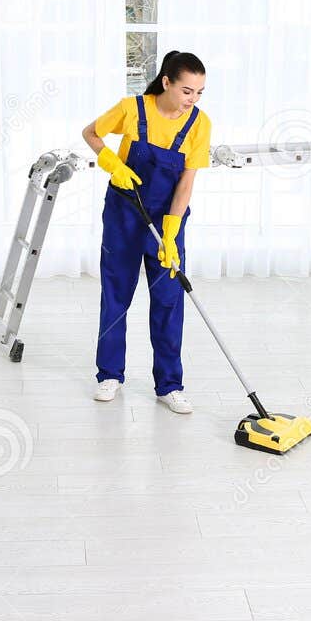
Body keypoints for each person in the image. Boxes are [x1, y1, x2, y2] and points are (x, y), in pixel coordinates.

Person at [82, 51, 212, 413]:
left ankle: (169, 384)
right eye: (187, 91)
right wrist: (110, 162)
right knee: (116, 295)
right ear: (166, 82)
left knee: (169, 301)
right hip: (124, 215)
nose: (193, 100)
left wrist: (170, 232)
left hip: (167, 219)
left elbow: (186, 181)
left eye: (200, 92)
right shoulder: (132, 108)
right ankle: (109, 374)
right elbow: (90, 132)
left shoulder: (200, 124)